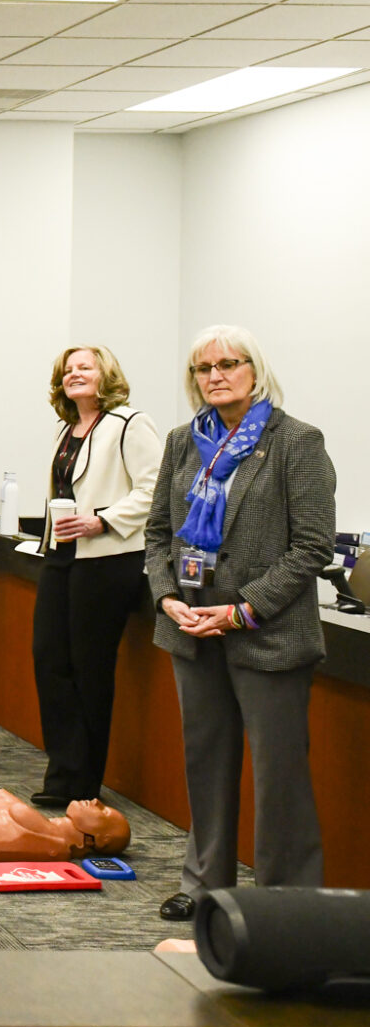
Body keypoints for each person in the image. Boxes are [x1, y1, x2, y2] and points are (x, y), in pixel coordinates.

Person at [147, 326, 334, 925]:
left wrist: (241, 608)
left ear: (255, 370)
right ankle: (205, 887)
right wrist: (167, 596)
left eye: (230, 363)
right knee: (206, 763)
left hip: (266, 633)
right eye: (204, 368)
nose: (217, 375)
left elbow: (311, 548)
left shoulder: (296, 441)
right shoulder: (182, 442)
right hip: (191, 629)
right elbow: (158, 537)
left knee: (278, 777)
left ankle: (286, 903)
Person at [29, 345, 161, 810]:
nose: (74, 375)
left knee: (89, 669)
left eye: (85, 367)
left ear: (107, 374)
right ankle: (63, 770)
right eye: (68, 370)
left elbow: (154, 488)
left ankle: (84, 781)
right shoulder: (67, 429)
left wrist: (102, 519)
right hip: (62, 555)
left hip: (107, 558)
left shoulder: (128, 423)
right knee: (49, 660)